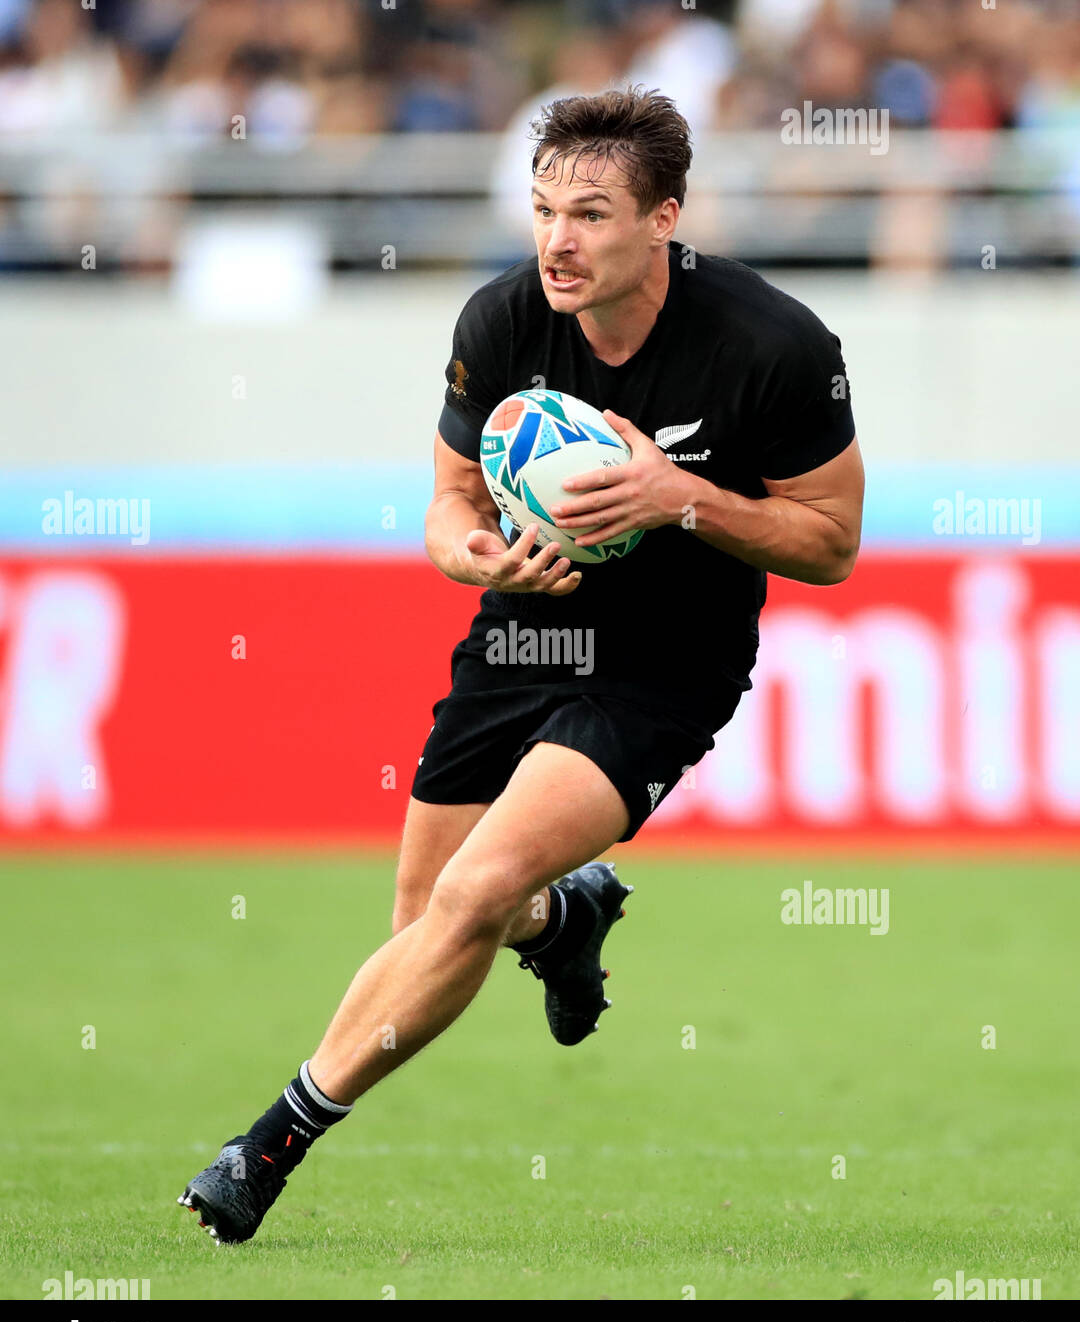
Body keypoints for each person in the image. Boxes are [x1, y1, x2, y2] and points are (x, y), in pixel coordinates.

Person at [178, 83, 864, 1245]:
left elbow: (832, 544)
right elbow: (447, 508)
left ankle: (268, 1144)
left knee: (471, 891)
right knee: (427, 910)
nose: (558, 238)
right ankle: (563, 925)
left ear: (665, 218)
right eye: (544, 208)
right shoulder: (501, 322)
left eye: (591, 213)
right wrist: (476, 561)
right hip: (523, 630)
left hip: (664, 663)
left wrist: (680, 497)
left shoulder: (773, 344)